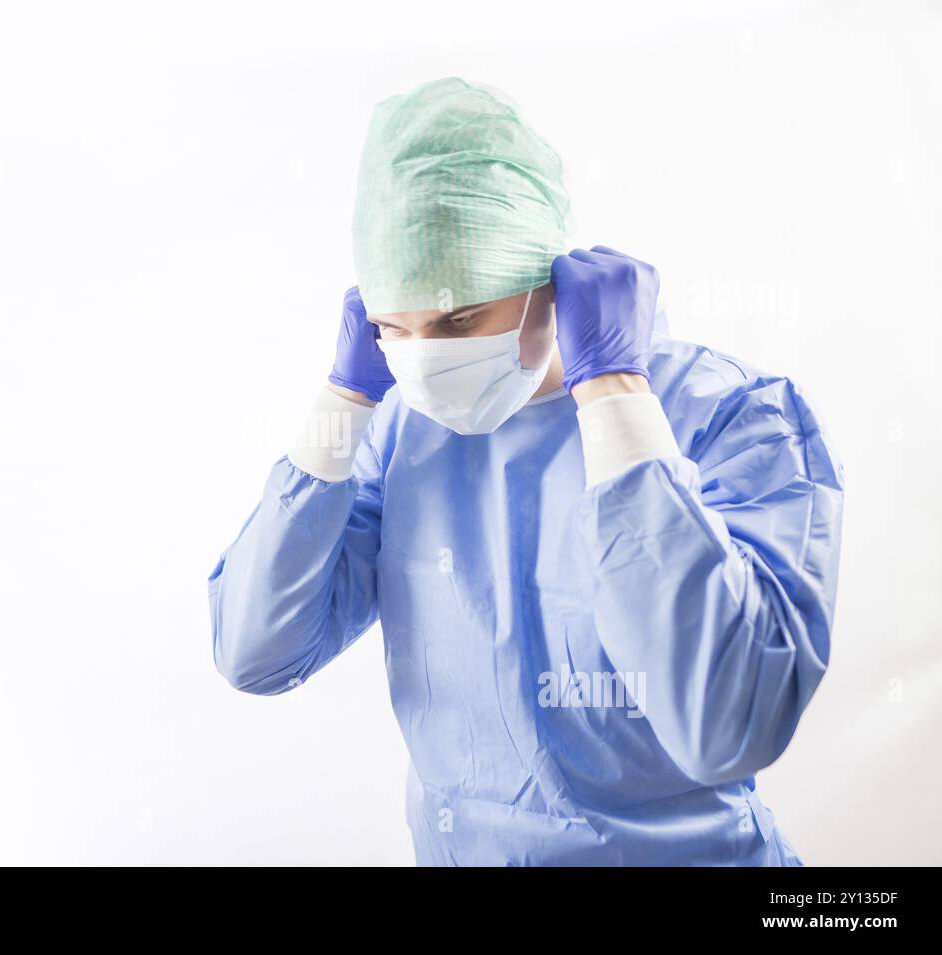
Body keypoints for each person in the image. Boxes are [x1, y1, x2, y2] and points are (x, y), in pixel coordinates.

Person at [207, 78, 843, 866]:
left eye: (460, 319)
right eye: (393, 328)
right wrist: (342, 402)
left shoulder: (732, 416)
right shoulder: (404, 433)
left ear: (551, 280)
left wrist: (613, 396)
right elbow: (256, 654)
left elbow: (728, 725)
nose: (425, 360)